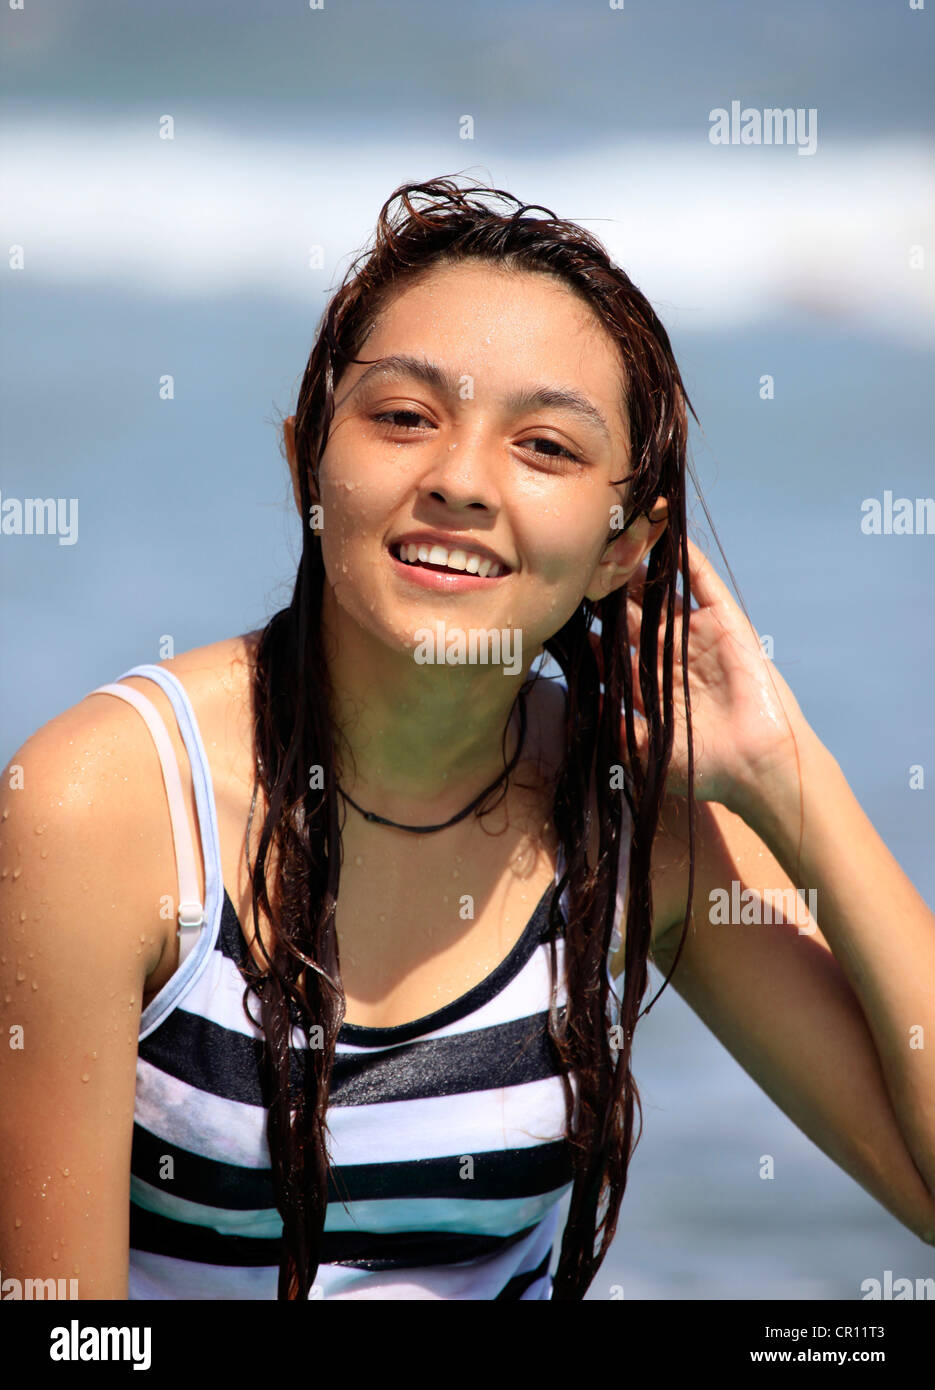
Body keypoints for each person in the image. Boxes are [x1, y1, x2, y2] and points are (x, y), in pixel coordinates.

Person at [2, 176, 933, 1302]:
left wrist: (794, 783)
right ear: (306, 461)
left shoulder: (630, 823)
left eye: (543, 445)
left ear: (619, 548)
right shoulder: (106, 807)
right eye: (402, 416)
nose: (457, 480)